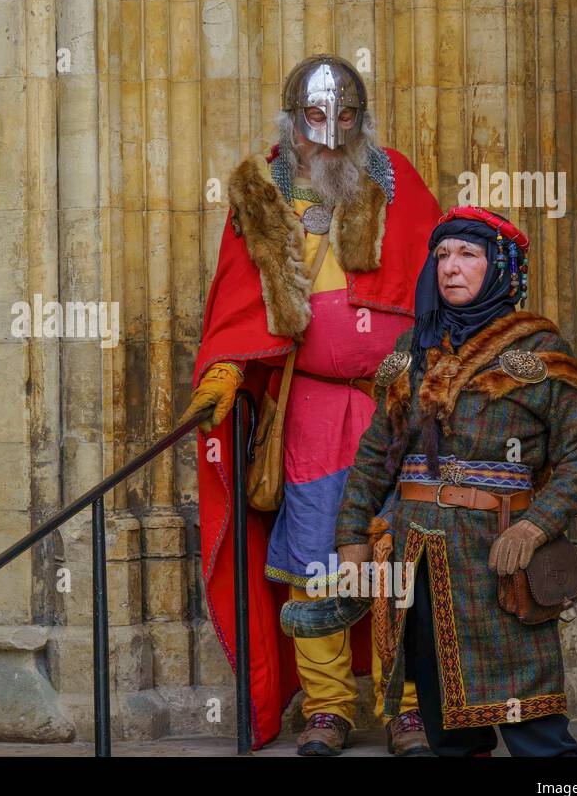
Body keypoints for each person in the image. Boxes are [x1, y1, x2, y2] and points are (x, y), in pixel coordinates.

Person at [181, 55, 440, 754]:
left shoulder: (399, 182)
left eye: (345, 118)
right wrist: (226, 372)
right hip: (310, 415)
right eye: (315, 119)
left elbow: (442, 290)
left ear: (363, 120)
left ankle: (407, 704)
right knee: (315, 562)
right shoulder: (264, 196)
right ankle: (327, 706)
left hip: (395, 410)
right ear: (291, 121)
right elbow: (237, 307)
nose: (329, 134)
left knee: (398, 558)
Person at [329, 205, 577, 755]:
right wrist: (351, 536)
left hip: (499, 558)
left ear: (502, 269)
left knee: (535, 730)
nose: (450, 268)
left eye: (468, 255)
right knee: (448, 728)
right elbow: (374, 452)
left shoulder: (540, 352)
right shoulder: (413, 352)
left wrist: (533, 528)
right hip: (417, 556)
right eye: (442, 256)